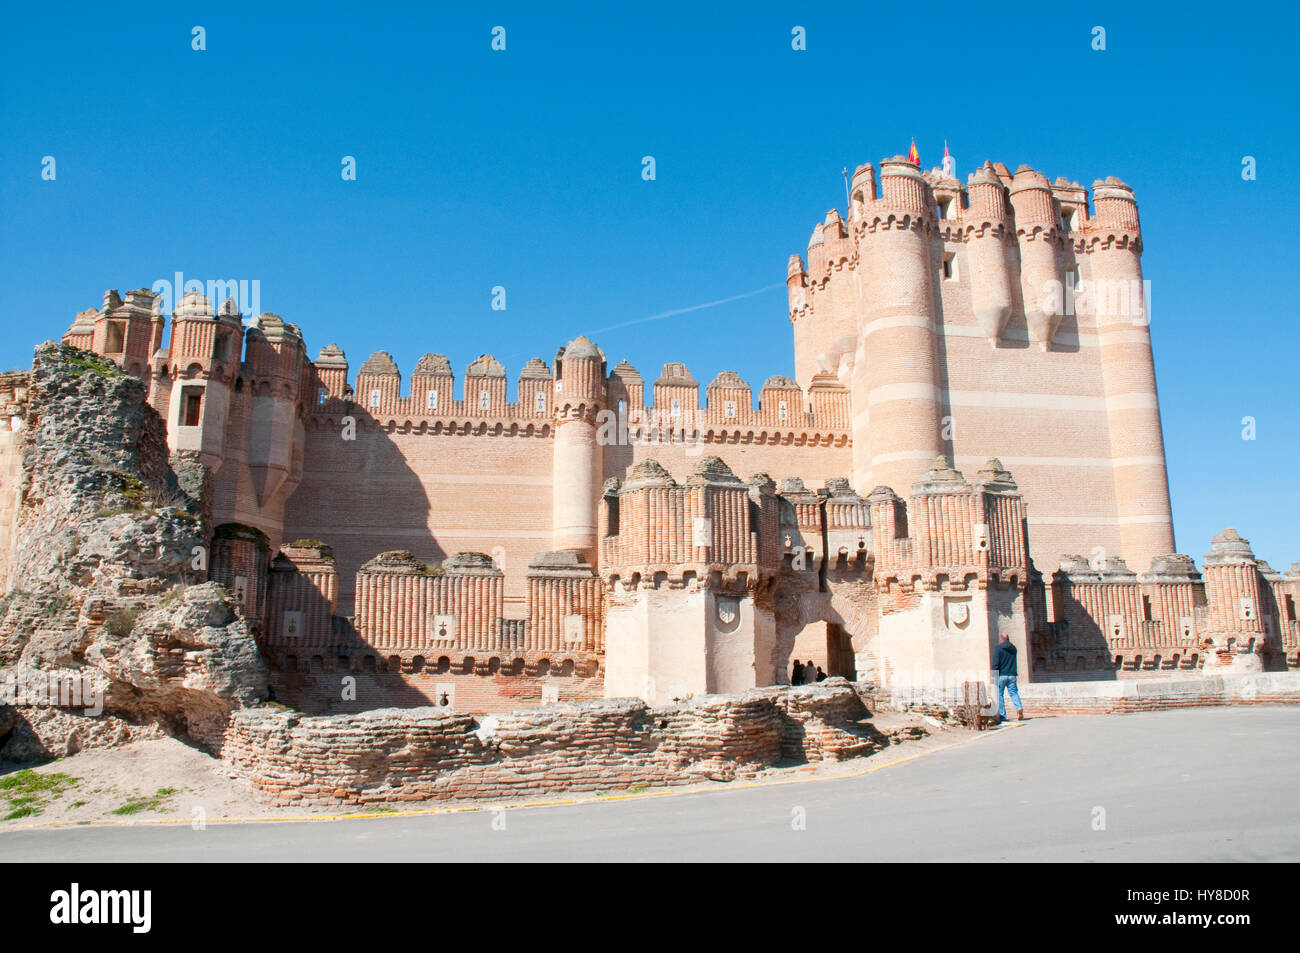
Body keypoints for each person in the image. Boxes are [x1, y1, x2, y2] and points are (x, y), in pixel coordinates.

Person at [992, 633, 1023, 722]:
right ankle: (1019, 708)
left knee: (1000, 694)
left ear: (1001, 639)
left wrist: (993, 675)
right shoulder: (1014, 649)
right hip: (1012, 675)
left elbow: (995, 663)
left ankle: (1002, 715)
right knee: (1013, 693)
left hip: (1002, 675)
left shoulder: (998, 648)